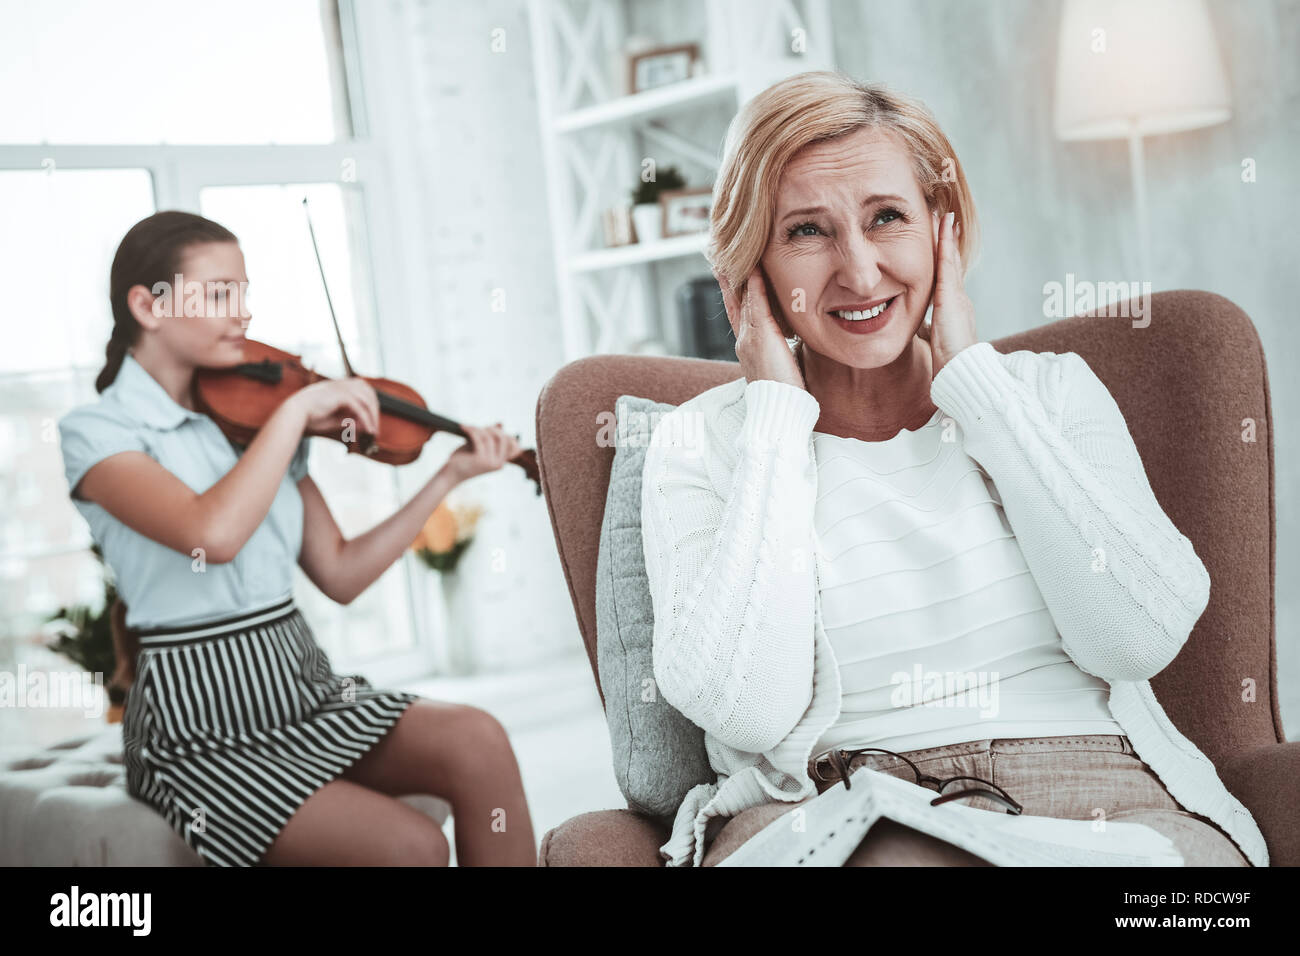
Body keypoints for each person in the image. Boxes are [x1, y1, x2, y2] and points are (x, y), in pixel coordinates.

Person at [639, 71, 1268, 868]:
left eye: (887, 218)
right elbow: (749, 711)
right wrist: (771, 419)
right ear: (749, 267)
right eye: (806, 231)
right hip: (841, 806)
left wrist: (976, 381)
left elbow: (1136, 639)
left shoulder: (1048, 390)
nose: (861, 273)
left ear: (945, 227)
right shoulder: (706, 441)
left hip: (1099, 796)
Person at [58, 210, 536, 867]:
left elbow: (340, 574)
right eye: (222, 293)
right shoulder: (98, 432)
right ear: (148, 305)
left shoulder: (253, 418)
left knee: (478, 738)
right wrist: (294, 414)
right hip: (197, 725)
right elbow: (212, 532)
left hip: (297, 683)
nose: (245, 314)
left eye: (246, 293)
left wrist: (446, 476)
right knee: (411, 847)